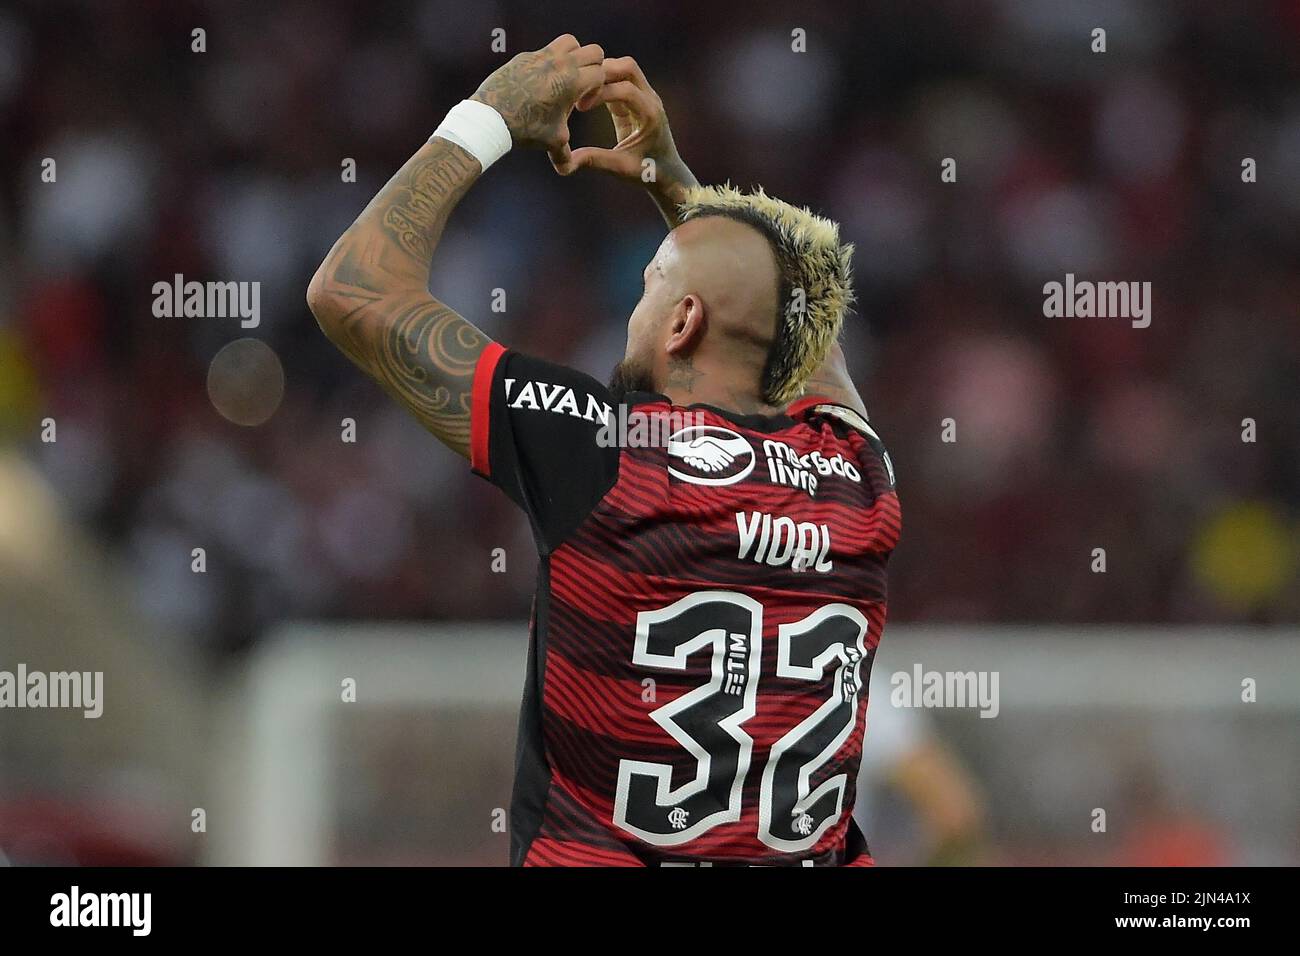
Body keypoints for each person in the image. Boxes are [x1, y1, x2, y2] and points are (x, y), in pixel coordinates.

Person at [307, 34, 900, 866]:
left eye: (650, 283)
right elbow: (806, 337)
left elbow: (350, 290)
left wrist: (486, 118)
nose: (635, 303)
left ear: (684, 322)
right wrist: (673, 182)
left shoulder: (603, 447)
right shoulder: (857, 476)